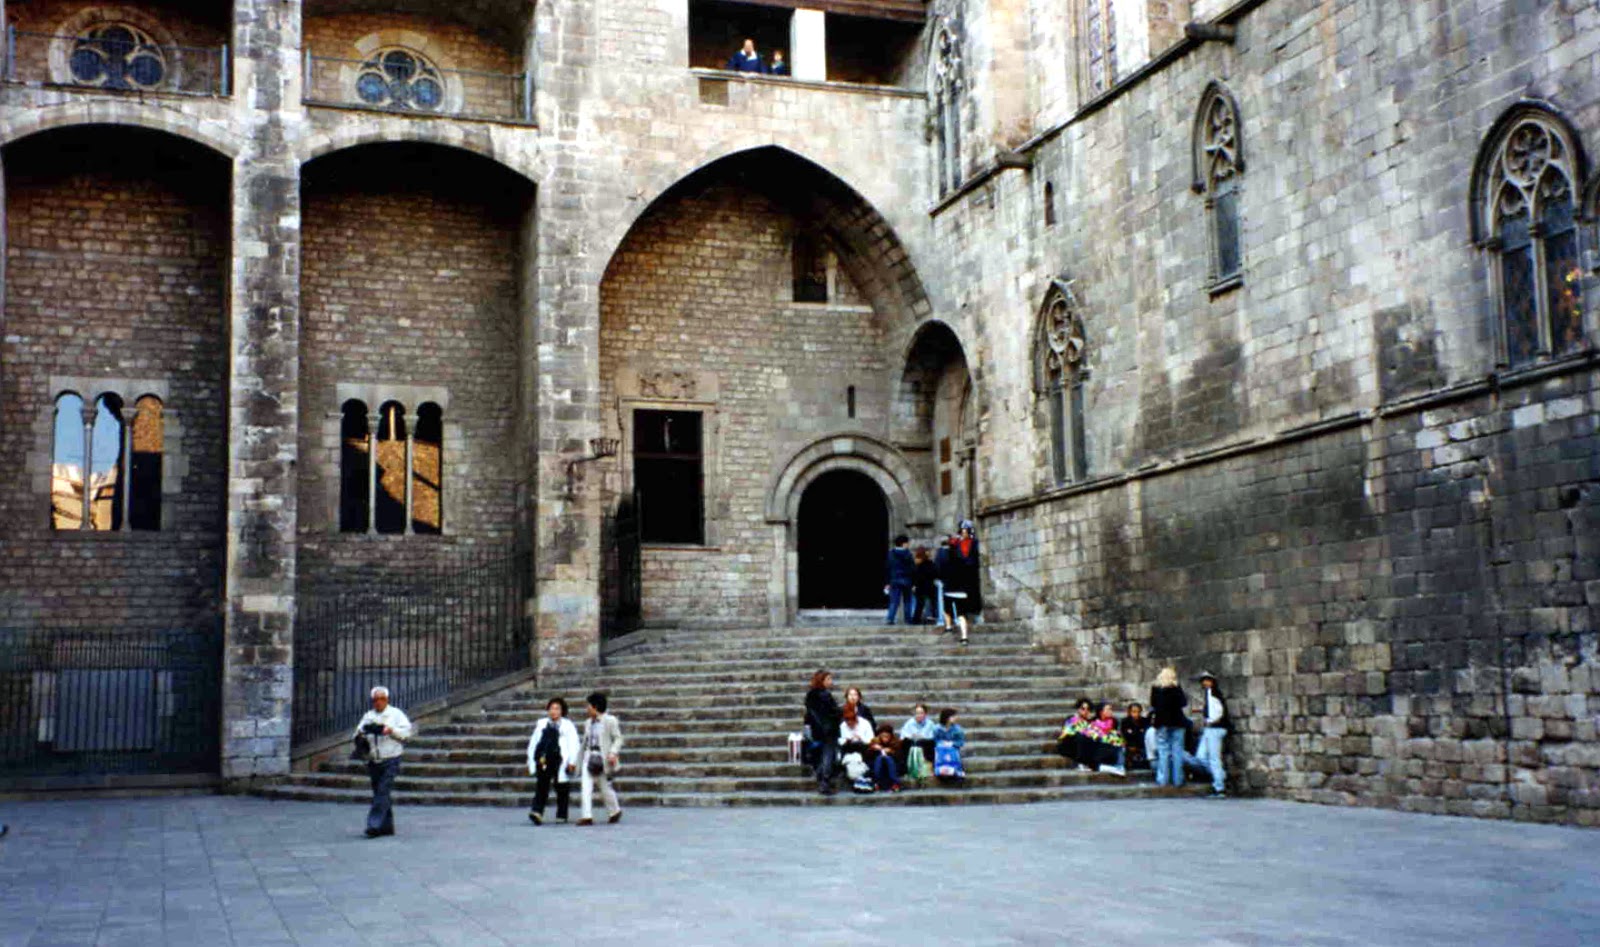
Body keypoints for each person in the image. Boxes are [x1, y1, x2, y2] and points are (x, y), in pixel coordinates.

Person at [354, 685, 412, 838]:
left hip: (391, 757)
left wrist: (391, 731)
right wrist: (363, 733)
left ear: (387, 700)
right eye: (376, 699)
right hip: (374, 759)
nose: (379, 702)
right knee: (379, 792)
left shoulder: (396, 714)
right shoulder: (368, 716)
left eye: (382, 699)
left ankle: (373, 825)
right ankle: (386, 826)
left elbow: (407, 733)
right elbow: (357, 733)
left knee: (382, 791)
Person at [526, 696, 580, 825]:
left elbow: (574, 744)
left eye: (557, 709)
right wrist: (532, 760)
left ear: (562, 711)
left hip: (560, 759)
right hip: (545, 759)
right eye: (551, 708)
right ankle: (537, 811)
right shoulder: (541, 724)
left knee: (562, 787)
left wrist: (572, 761)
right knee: (542, 785)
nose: (554, 711)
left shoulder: (567, 725)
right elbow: (534, 743)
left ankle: (562, 814)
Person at [577, 691, 625, 825]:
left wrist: (613, 752)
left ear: (596, 706)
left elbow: (618, 738)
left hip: (603, 757)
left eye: (589, 706)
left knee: (605, 788)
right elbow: (585, 742)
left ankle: (615, 811)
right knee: (585, 786)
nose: (587, 708)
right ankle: (586, 816)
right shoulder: (587, 722)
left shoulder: (610, 721)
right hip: (589, 756)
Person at [1149, 667, 1189, 788]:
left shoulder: (1156, 688)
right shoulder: (1176, 687)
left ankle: (1163, 779)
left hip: (1161, 722)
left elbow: (1153, 704)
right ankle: (1178, 780)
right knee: (1177, 751)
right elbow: (1184, 703)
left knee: (1163, 751)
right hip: (1177, 721)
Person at [804, 669, 842, 795]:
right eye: (828, 679)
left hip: (817, 729)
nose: (831, 682)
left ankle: (821, 776)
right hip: (828, 730)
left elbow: (809, 714)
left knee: (825, 754)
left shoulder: (810, 695)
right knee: (828, 755)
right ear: (822, 681)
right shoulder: (825, 695)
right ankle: (824, 780)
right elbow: (833, 712)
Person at [1193, 671, 1229, 798]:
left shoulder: (1214, 694)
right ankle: (1220, 775)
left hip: (1215, 728)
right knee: (1200, 756)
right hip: (1210, 729)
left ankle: (1219, 787)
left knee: (1214, 758)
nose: (1205, 683)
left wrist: (1210, 721)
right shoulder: (1209, 694)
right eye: (1204, 680)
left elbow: (1219, 712)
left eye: (1207, 680)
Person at [884, 534, 916, 625]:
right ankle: (908, 619)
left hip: (894, 579)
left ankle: (890, 618)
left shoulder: (891, 554)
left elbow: (887, 568)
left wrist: (887, 582)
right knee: (907, 601)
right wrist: (914, 582)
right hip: (907, 580)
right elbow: (913, 569)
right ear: (903, 544)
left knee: (894, 601)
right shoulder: (908, 554)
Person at [1055, 698, 1095, 767]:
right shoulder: (1072, 718)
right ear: (1078, 709)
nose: (1085, 711)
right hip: (1069, 745)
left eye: (1088, 709)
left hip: (1084, 745)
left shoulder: (1091, 721)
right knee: (1079, 736)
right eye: (1083, 709)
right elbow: (1068, 732)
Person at [899, 703, 938, 775]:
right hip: (912, 745)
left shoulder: (930, 724)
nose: (919, 715)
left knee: (926, 743)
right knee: (906, 743)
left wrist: (922, 737)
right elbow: (903, 736)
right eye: (917, 713)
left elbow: (933, 737)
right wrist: (912, 737)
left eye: (921, 713)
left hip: (925, 746)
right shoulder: (909, 723)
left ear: (925, 714)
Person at [933, 707, 966, 784]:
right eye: (953, 716)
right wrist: (941, 743)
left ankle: (956, 772)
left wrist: (952, 744)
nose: (955, 718)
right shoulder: (937, 728)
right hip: (940, 751)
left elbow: (961, 742)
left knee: (952, 753)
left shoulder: (957, 729)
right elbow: (934, 740)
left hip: (952, 750)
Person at [867, 724, 903, 792]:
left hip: (892, 764)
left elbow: (900, 756)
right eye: (883, 736)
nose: (885, 739)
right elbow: (868, 756)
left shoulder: (895, 742)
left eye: (887, 736)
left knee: (888, 759)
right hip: (878, 764)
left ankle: (895, 783)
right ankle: (876, 782)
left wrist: (891, 751)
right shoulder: (874, 741)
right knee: (880, 758)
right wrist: (873, 749)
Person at [1120, 702, 1152, 770]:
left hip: (1142, 745)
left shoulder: (1144, 721)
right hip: (1129, 745)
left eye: (1138, 712)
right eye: (1134, 712)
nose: (1136, 714)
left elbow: (1144, 734)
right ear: (1129, 712)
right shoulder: (1125, 721)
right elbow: (1125, 734)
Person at [911, 547, 938, 624]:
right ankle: (932, 617)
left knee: (920, 604)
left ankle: (916, 619)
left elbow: (916, 576)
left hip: (920, 586)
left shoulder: (917, 565)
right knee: (932, 602)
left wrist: (914, 585)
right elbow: (935, 573)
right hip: (929, 586)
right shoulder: (930, 564)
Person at [932, 537, 953, 629]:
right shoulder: (953, 551)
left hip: (942, 580)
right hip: (952, 580)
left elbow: (937, 567)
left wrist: (937, 578)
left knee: (941, 600)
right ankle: (954, 618)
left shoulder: (939, 553)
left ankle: (942, 619)